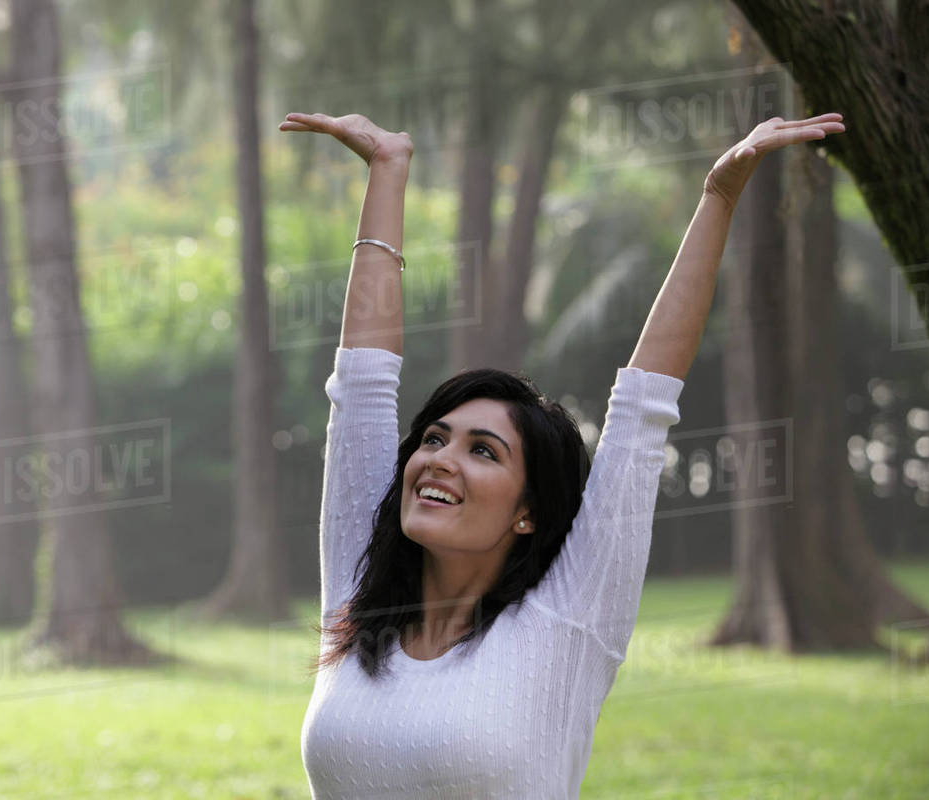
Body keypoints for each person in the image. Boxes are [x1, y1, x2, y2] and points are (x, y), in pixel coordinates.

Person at [278, 109, 845, 799]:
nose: (439, 459)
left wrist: (718, 198)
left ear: (528, 512)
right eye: (434, 438)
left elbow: (643, 408)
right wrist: (388, 173)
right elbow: (362, 389)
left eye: (483, 451)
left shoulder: (567, 624)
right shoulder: (357, 595)